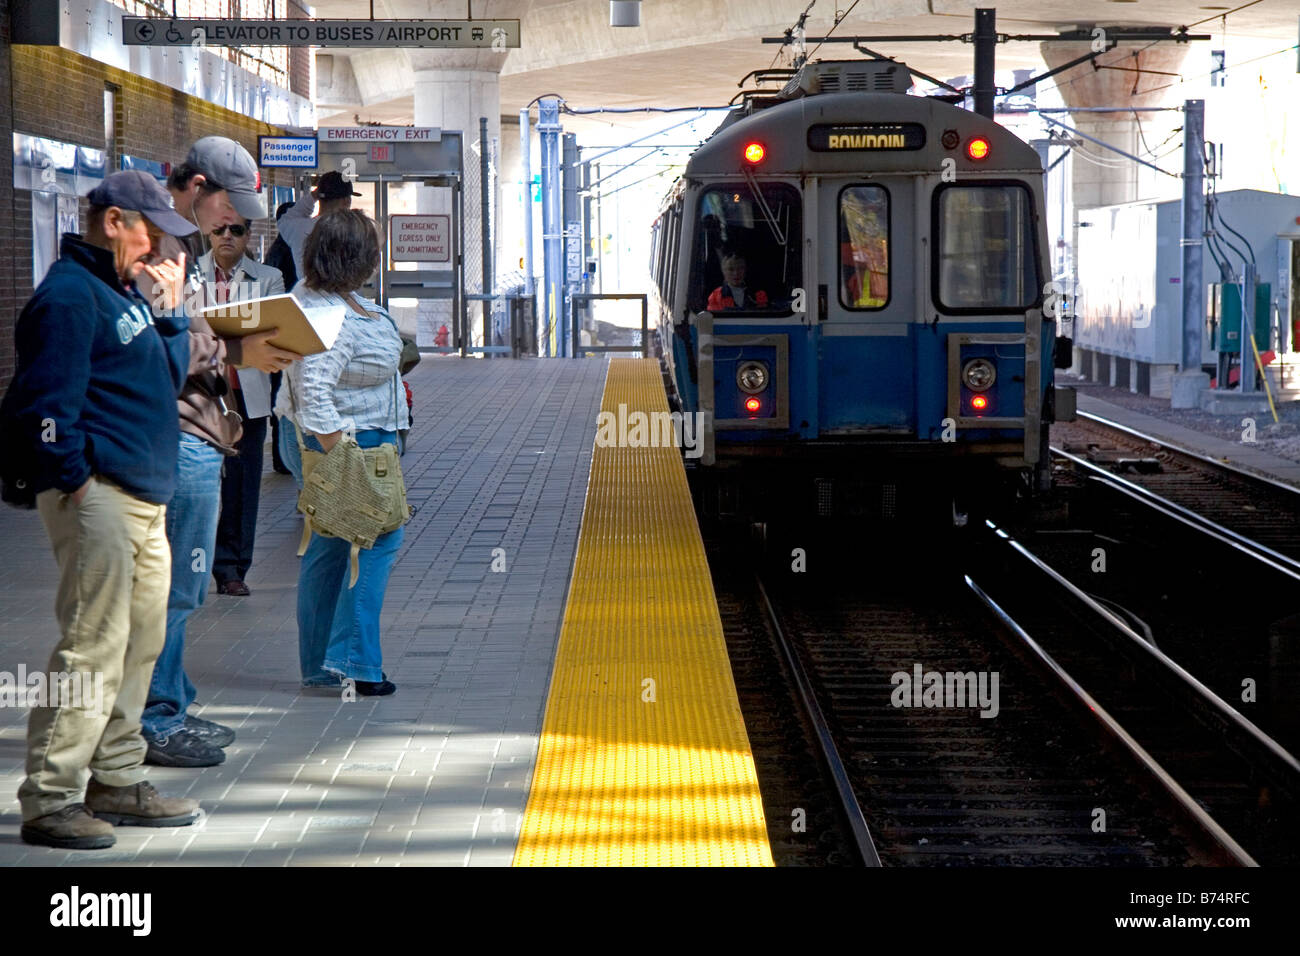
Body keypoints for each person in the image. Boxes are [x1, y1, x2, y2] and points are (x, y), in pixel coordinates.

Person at [0, 171, 203, 849]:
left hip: (142, 500)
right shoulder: (67, 297)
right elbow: (43, 407)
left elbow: (165, 381)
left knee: (138, 643)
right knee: (92, 645)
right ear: (113, 221)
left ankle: (114, 777)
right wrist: (77, 481)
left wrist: (171, 314)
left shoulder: (122, 292)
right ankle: (51, 797)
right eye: (151, 231)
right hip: (103, 498)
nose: (160, 248)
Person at [141, 137, 301, 769]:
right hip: (180, 435)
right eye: (230, 205)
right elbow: (165, 343)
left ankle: (171, 700)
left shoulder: (173, 244)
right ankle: (156, 717)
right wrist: (239, 352)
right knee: (175, 589)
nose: (233, 221)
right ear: (201, 186)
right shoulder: (166, 249)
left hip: (196, 432)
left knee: (178, 587)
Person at [275, 211, 408, 697]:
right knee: (375, 545)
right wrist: (344, 459)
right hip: (356, 446)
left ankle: (320, 665)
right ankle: (358, 664)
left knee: (329, 551)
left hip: (352, 442)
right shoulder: (326, 312)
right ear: (357, 257)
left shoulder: (328, 300)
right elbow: (313, 391)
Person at [201, 218, 287, 596]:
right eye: (219, 230)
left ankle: (231, 568)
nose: (226, 237)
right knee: (196, 486)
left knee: (241, 487)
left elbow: (272, 335)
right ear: (208, 233)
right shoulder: (187, 277)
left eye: (235, 230)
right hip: (197, 400)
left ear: (248, 236)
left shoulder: (268, 278)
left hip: (246, 400)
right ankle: (188, 562)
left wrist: (220, 338)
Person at [275, 170, 360, 283]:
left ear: (320, 197)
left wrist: (314, 195)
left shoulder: (298, 229)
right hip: (342, 297)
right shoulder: (353, 231)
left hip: (306, 296)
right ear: (347, 201)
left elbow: (285, 219)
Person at [264, 201, 298, 475]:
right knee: (282, 392)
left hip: (280, 328)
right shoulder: (285, 250)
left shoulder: (277, 249)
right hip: (284, 328)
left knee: (281, 390)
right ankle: (282, 458)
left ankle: (281, 456)